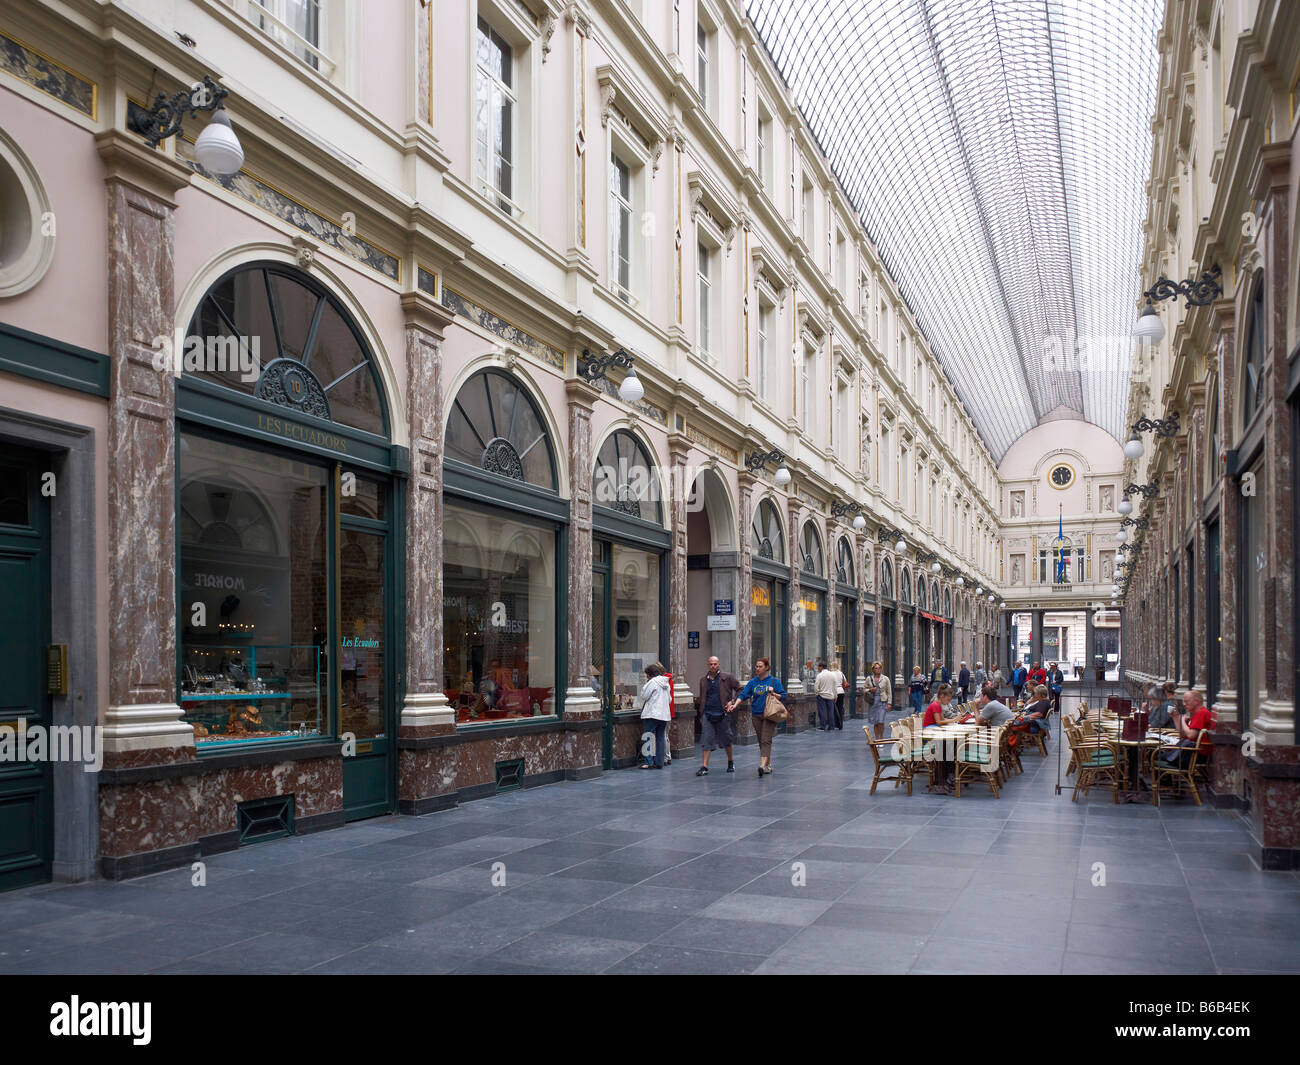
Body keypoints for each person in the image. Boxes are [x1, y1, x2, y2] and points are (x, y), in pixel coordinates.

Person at [727, 657, 788, 777]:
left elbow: (784, 696)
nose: (757, 668)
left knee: (765, 740)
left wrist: (773, 693)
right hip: (756, 714)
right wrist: (735, 705)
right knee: (761, 740)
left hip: (769, 714)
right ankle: (767, 765)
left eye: (760, 666)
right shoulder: (753, 682)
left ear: (766, 668)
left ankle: (762, 765)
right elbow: (744, 694)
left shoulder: (773, 681)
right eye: (756, 666)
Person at [695, 656, 742, 775]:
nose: (713, 666)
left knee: (727, 739)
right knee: (706, 740)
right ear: (708, 665)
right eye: (711, 664)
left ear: (719, 665)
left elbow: (740, 689)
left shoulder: (727, 678)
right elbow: (702, 698)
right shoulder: (703, 680)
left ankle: (730, 761)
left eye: (715, 664)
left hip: (723, 713)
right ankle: (704, 766)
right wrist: (701, 714)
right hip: (707, 714)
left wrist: (732, 701)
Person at [1161, 689, 1213, 771]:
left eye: (1187, 701)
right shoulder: (1195, 714)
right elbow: (1182, 734)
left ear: (1197, 701)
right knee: (1159, 754)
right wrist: (1175, 717)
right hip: (1188, 750)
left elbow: (1191, 735)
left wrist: (1182, 721)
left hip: (1194, 753)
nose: (1184, 704)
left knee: (1158, 756)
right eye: (1184, 702)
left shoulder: (1201, 713)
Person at [922, 683, 956, 793]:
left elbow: (943, 719)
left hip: (935, 733)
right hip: (929, 736)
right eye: (948, 699)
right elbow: (939, 722)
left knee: (948, 747)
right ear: (942, 696)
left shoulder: (939, 705)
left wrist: (953, 720)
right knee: (945, 748)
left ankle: (946, 778)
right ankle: (944, 780)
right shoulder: (936, 705)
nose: (949, 702)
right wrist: (953, 720)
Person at [639, 662, 672, 769]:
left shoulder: (652, 682)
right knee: (660, 737)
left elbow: (644, 696)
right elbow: (669, 699)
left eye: (646, 675)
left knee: (648, 736)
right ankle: (660, 762)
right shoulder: (665, 683)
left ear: (649, 674)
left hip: (652, 714)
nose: (646, 677)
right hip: (664, 714)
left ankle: (648, 762)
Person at [865, 660, 892, 740]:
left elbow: (889, 691)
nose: (878, 670)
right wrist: (870, 690)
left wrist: (889, 703)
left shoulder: (885, 679)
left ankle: (881, 737)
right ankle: (877, 739)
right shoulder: (869, 679)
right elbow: (864, 689)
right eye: (876, 668)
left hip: (882, 702)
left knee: (881, 721)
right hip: (873, 702)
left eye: (879, 668)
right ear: (873, 669)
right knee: (875, 722)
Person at [814, 660, 838, 732]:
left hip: (822, 696)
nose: (818, 668)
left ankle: (822, 726)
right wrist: (835, 696)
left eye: (818, 667)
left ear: (821, 667)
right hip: (830, 696)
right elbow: (835, 687)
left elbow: (816, 686)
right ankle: (831, 726)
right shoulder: (832, 675)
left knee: (822, 712)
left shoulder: (819, 675)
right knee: (831, 712)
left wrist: (817, 693)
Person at [832, 660, 848, 729]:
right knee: (840, 708)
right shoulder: (841, 673)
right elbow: (845, 681)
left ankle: (836, 723)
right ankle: (841, 724)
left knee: (834, 709)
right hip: (841, 691)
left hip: (835, 692)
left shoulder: (831, 673)